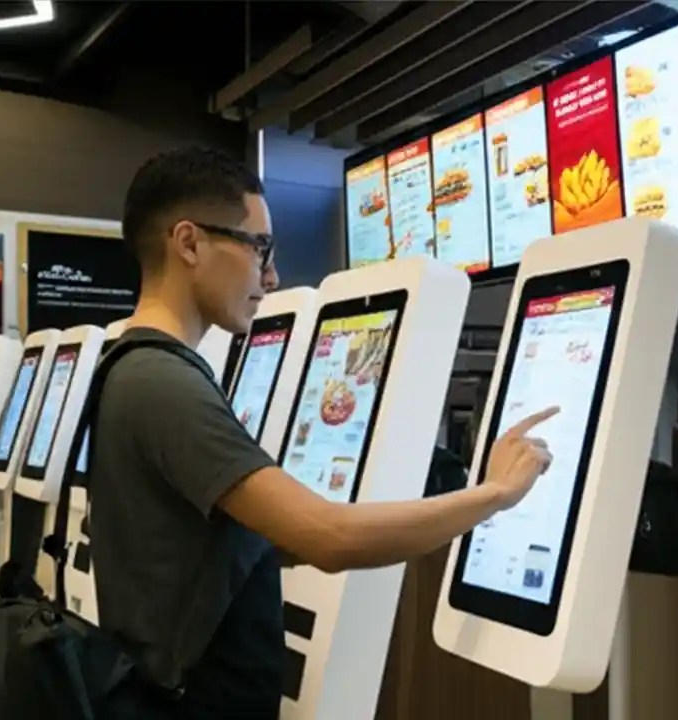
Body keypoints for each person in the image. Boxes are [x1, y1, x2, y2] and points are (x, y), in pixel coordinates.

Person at [90, 147, 557, 719]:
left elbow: (247, 540)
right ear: (188, 243)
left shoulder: (140, 367)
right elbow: (328, 537)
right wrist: (494, 495)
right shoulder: (163, 383)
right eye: (258, 247)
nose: (271, 275)